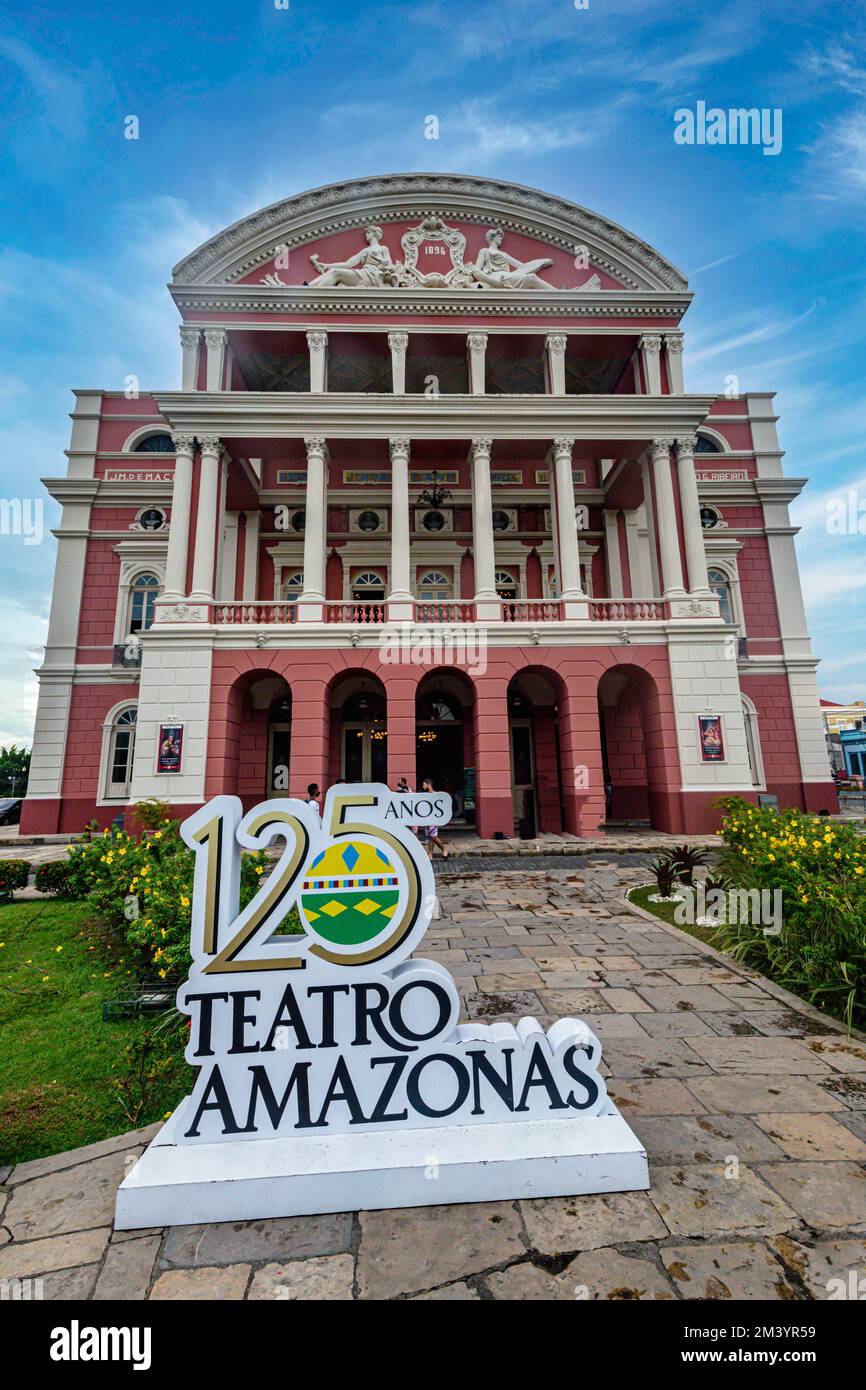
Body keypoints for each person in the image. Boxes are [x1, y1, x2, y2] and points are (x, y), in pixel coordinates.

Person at [418, 778, 448, 860]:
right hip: (427, 819)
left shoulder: (436, 795)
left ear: (429, 785)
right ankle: (430, 854)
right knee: (430, 837)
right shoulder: (425, 795)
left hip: (434, 819)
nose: (423, 786)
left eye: (424, 785)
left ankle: (444, 850)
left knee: (433, 836)